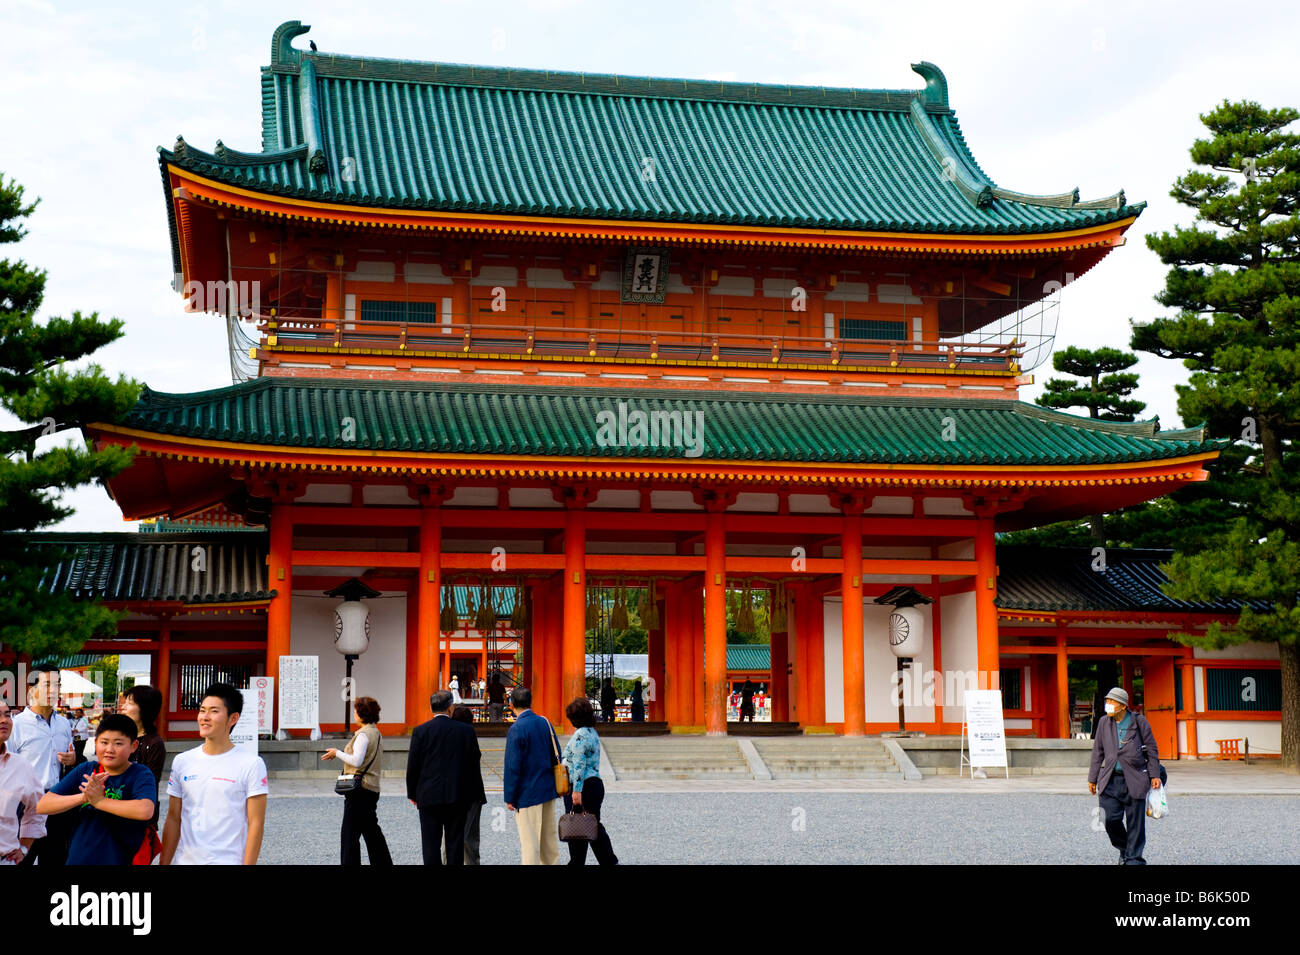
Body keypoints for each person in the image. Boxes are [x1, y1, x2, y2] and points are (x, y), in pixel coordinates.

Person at [161, 683, 268, 865]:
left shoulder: (251, 764)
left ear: (233, 718)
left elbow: (256, 824)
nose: (205, 717)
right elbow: (173, 817)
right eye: (202, 710)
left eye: (214, 711)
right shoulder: (182, 761)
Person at [36, 714, 158, 865]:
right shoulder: (86, 770)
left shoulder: (140, 774)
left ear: (133, 746)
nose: (109, 749)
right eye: (104, 742)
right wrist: (83, 797)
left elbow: (144, 810)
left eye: (118, 744)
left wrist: (100, 801)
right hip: (79, 859)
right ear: (95, 743)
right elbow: (43, 805)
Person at [1088, 686, 1163, 865]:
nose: (1108, 704)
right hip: (1110, 779)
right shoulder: (1104, 722)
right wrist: (1092, 777)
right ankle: (1125, 848)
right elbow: (1097, 751)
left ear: (1122, 706)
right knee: (1109, 819)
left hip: (1135, 778)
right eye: (1107, 701)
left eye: (1111, 701)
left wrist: (1154, 775)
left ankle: (1133, 859)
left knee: (1135, 823)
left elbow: (1151, 749)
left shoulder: (1139, 721)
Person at [10, 664, 76, 866]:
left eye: (57, 685)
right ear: (32, 689)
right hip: (25, 804)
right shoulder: (16, 725)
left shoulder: (64, 724)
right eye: (47, 685)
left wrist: (72, 760)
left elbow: (70, 760)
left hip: (56, 800)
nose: (53, 691)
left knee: (56, 859)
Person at [406, 689, 481, 865]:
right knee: (454, 842)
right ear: (450, 708)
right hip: (458, 795)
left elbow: (413, 766)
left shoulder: (421, 731)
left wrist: (412, 793)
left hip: (428, 794)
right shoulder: (466, 731)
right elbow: (473, 763)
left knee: (430, 843)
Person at [322, 695, 393, 866]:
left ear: (362, 714)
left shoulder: (363, 735)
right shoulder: (376, 731)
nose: (354, 714)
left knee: (350, 834)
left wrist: (336, 753)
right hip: (371, 788)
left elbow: (356, 761)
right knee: (371, 831)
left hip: (359, 790)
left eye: (356, 711)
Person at [503, 685, 561, 865]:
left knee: (530, 844)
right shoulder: (545, 722)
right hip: (548, 789)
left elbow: (513, 766)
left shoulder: (517, 728)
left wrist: (510, 797)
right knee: (549, 843)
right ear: (531, 702)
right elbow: (557, 753)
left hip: (527, 793)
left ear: (512, 704)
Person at [561, 698, 619, 866]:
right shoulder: (592, 732)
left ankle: (577, 862)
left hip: (582, 785)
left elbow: (579, 764)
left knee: (576, 826)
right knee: (592, 825)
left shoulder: (580, 734)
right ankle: (608, 860)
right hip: (594, 784)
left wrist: (576, 791)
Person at [120, 684, 166, 864]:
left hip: (137, 819)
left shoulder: (153, 743)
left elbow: (150, 785)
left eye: (129, 702)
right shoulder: (122, 736)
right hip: (112, 810)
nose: (123, 706)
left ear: (144, 708)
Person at [0, 700, 46, 865]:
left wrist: (24, 848)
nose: (4, 720)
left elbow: (38, 808)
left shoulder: (20, 766)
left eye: (7, 714)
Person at [444, 704, 486, 864]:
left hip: (457, 793)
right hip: (473, 792)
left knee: (454, 834)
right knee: (470, 837)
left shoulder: (451, 737)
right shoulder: (469, 735)